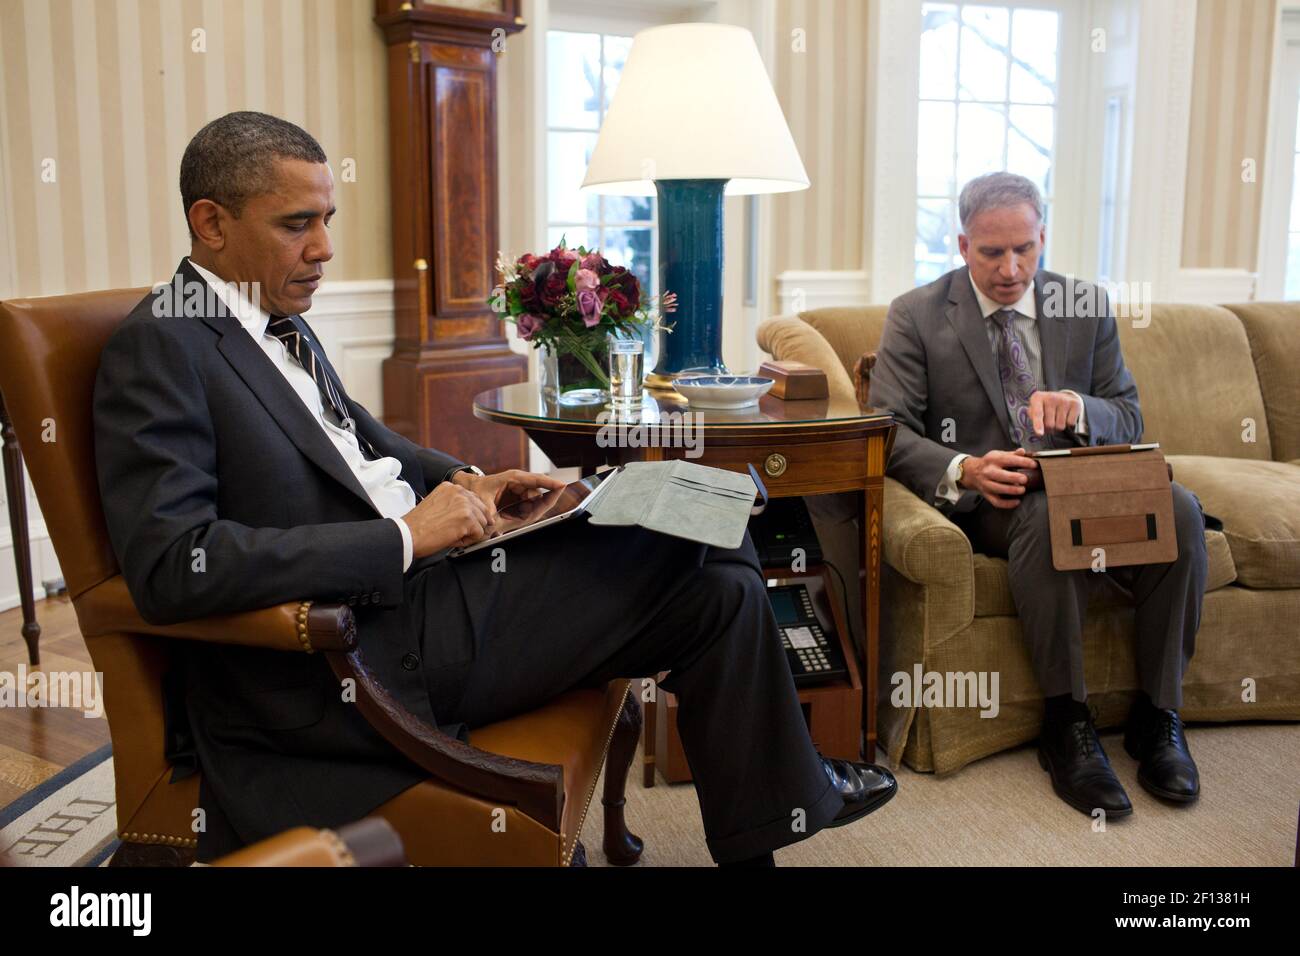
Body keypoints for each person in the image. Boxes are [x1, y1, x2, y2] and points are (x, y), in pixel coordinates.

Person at [92, 110, 896, 865]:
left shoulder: (273, 319)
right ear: (210, 223)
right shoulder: (161, 346)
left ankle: (762, 835)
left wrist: (478, 483)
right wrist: (409, 537)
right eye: (297, 224)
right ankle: (795, 794)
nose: (325, 247)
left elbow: (368, 447)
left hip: (428, 592)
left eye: (327, 218)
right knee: (695, 550)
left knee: (714, 567)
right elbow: (172, 564)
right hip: (351, 646)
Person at [868, 171, 1206, 817]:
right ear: (963, 244)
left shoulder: (1084, 304)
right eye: (992, 252)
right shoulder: (916, 314)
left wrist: (1081, 407)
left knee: (1182, 510)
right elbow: (888, 431)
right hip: (997, 501)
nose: (1010, 267)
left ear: (1042, 237)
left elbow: (1128, 414)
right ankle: (1066, 722)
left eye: (1025, 248)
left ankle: (1159, 715)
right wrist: (963, 467)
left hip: (1087, 482)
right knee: (1048, 517)